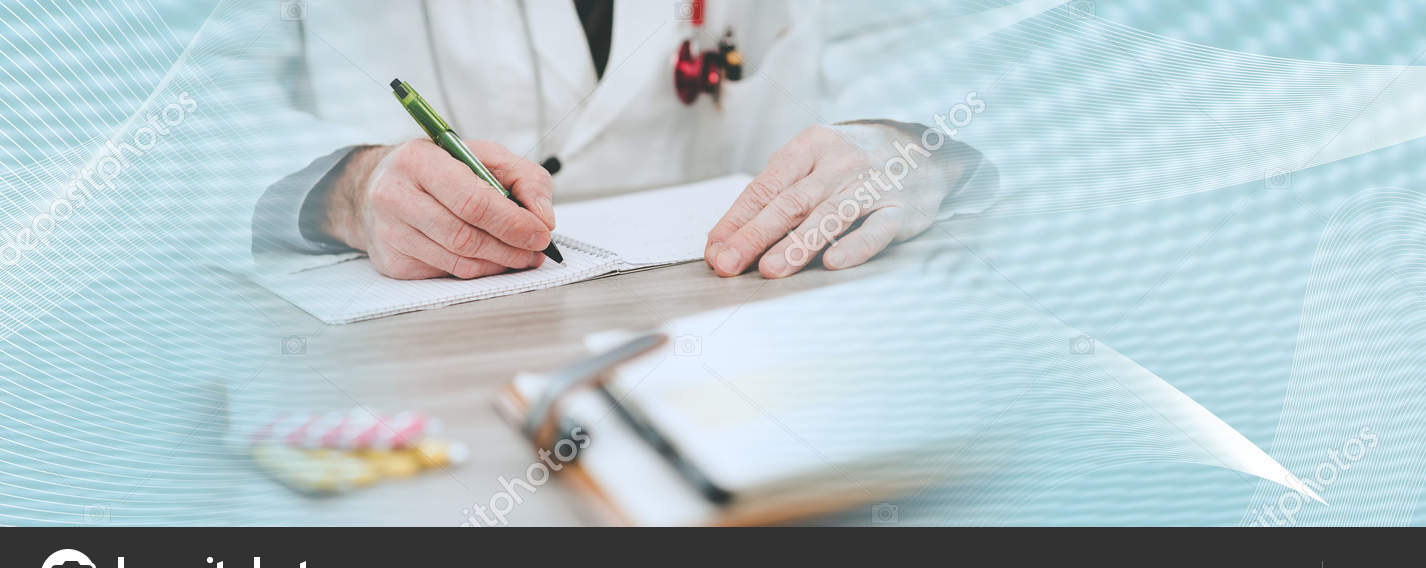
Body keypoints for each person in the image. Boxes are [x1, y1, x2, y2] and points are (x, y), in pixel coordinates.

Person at [250, 0, 992, 281]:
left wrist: (913, 141)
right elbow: (187, 113)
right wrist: (344, 189)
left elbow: (967, 50)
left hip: (733, 311)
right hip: (409, 361)